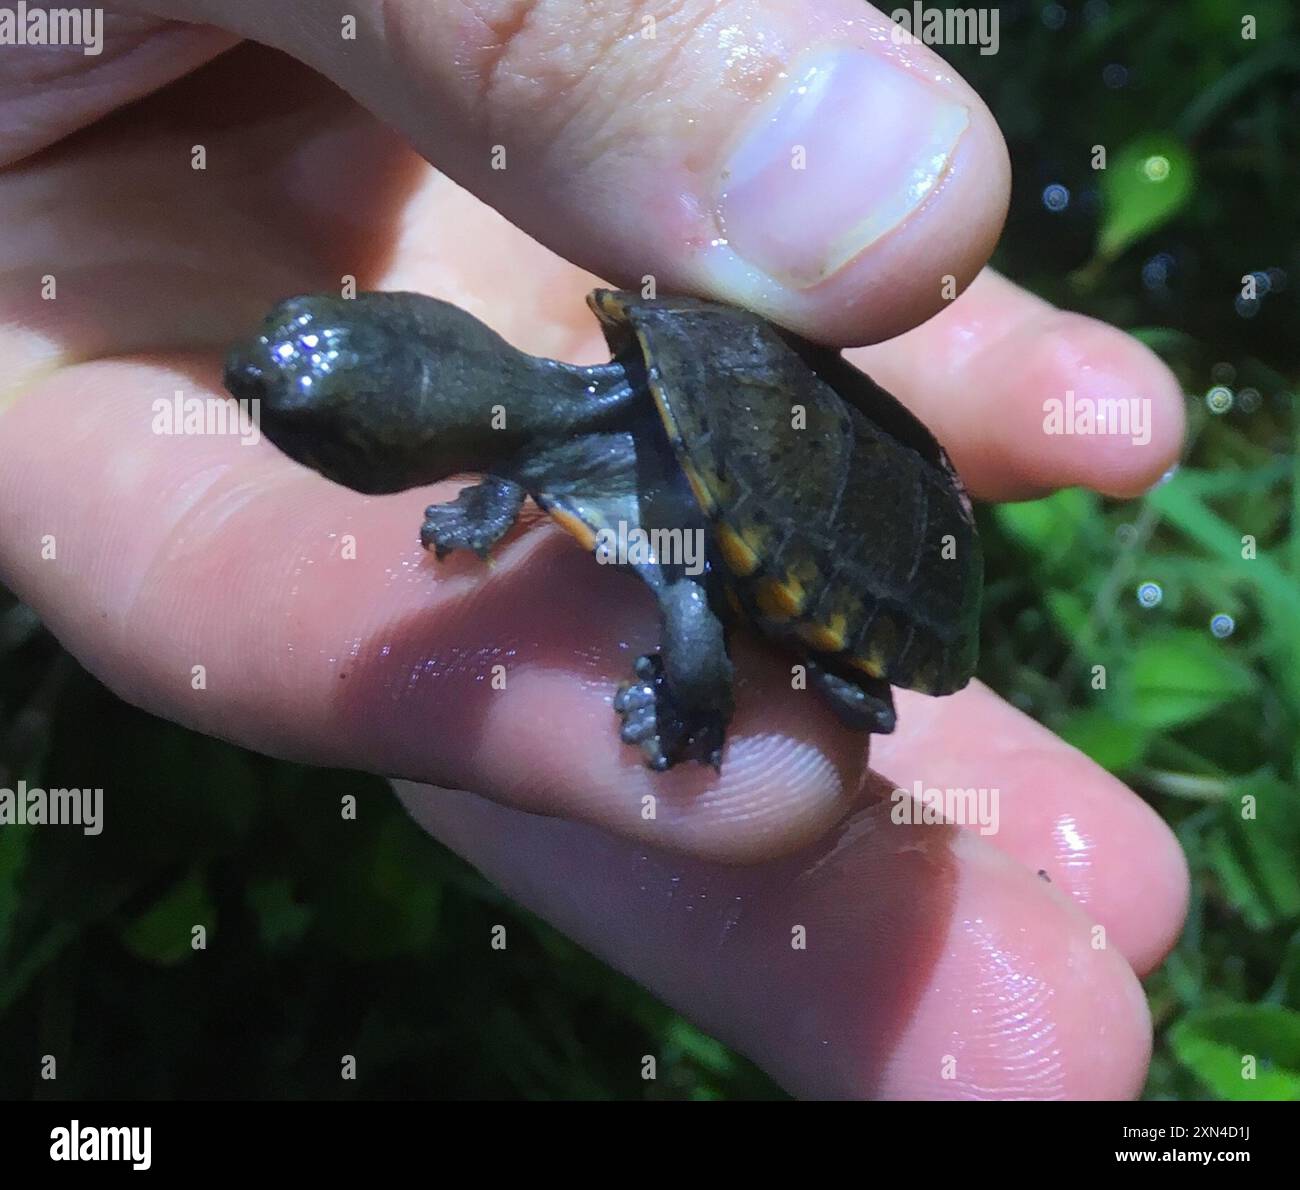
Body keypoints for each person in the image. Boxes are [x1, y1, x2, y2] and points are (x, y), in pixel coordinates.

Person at [0, 1, 1188, 1098]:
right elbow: (543, 445)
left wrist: (690, 710)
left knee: (737, 624)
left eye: (304, 411)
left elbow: (691, 608)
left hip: (886, 540)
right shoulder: (581, 397)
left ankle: (846, 671)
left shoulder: (623, 450)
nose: (261, 377)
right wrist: (497, 499)